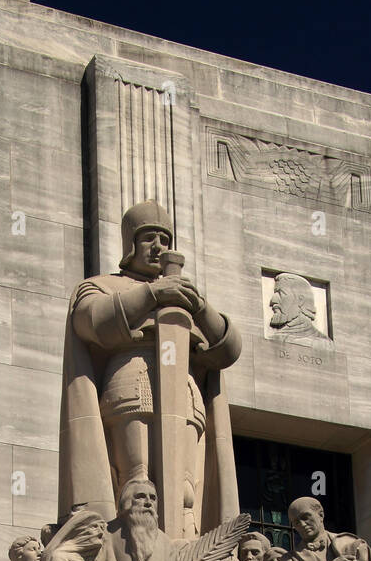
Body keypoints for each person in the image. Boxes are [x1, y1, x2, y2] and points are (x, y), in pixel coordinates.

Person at [57, 200, 241, 536]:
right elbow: (92, 322)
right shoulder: (104, 286)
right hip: (132, 386)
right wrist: (153, 294)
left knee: (185, 493)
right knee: (136, 484)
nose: (158, 247)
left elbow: (228, 349)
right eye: (148, 239)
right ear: (130, 244)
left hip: (184, 396)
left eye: (165, 240)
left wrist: (198, 307)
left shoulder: (189, 300)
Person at [268, 273, 328, 340]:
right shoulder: (276, 339)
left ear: (301, 300)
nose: (273, 300)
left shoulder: (325, 342)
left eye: (281, 293)